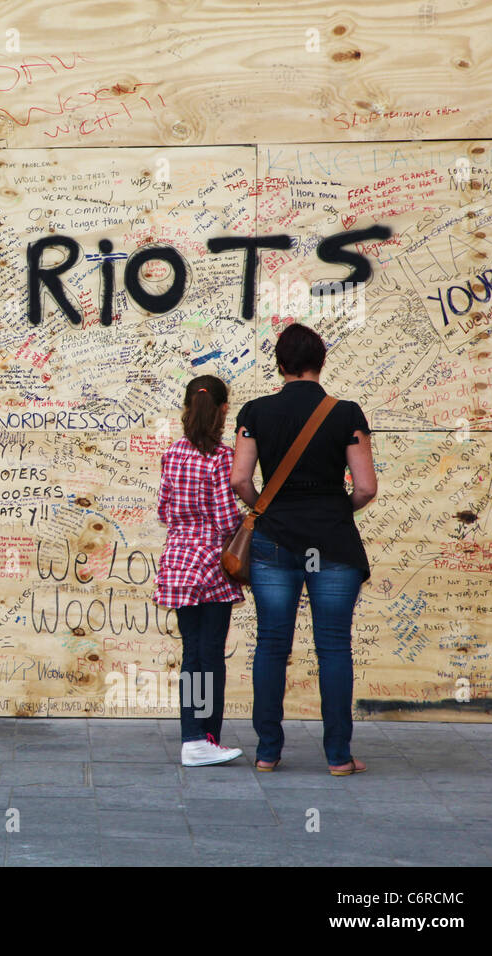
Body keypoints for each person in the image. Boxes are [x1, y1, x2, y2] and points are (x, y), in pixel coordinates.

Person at [230, 323, 376, 776]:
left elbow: (239, 480)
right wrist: (336, 510)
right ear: (322, 362)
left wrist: (266, 510)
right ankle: (337, 756)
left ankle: (268, 752)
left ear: (280, 364)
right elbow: (367, 487)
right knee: (334, 647)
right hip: (333, 542)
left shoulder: (256, 411)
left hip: (275, 542)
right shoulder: (346, 412)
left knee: (272, 644)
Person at [155, 374, 246, 767]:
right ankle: (206, 738)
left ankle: (193, 735)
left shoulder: (173, 453)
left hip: (178, 562)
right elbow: (228, 521)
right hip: (212, 567)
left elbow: (164, 511)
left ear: (188, 408)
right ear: (223, 410)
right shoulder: (224, 458)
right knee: (212, 655)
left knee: (192, 652)